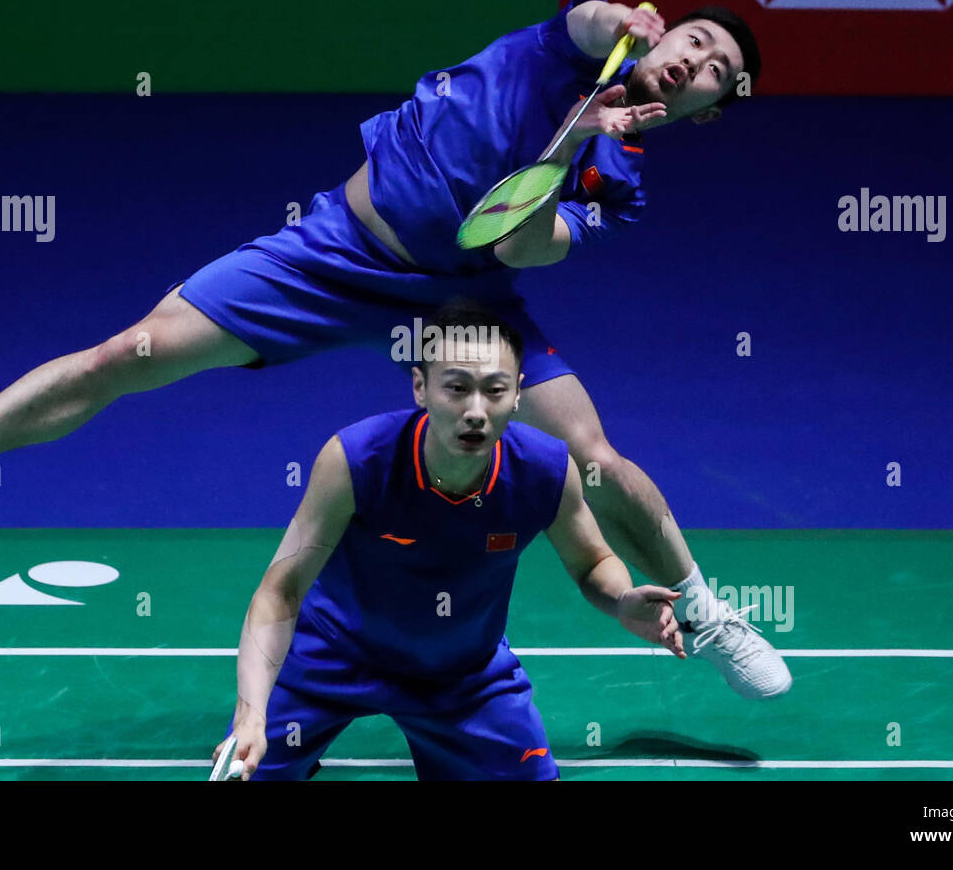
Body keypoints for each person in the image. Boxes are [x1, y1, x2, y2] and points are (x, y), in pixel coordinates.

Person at [0, 0, 790, 699]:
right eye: (694, 39)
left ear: (708, 108)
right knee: (128, 353)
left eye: (713, 70)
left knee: (591, 458)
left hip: (461, 297)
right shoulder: (580, 39)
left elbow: (514, 243)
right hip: (335, 251)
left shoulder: (616, 180)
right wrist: (609, 33)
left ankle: (703, 614)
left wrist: (579, 144)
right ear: (663, 32)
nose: (693, 58)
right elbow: (588, 21)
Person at [213, 306, 686, 780]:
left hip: (463, 678)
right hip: (332, 658)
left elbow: (592, 562)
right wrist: (252, 711)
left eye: (495, 390)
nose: (476, 412)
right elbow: (281, 590)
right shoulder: (356, 460)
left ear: (518, 393)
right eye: (456, 388)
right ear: (420, 387)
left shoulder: (544, 470)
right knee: (246, 769)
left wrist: (621, 601)